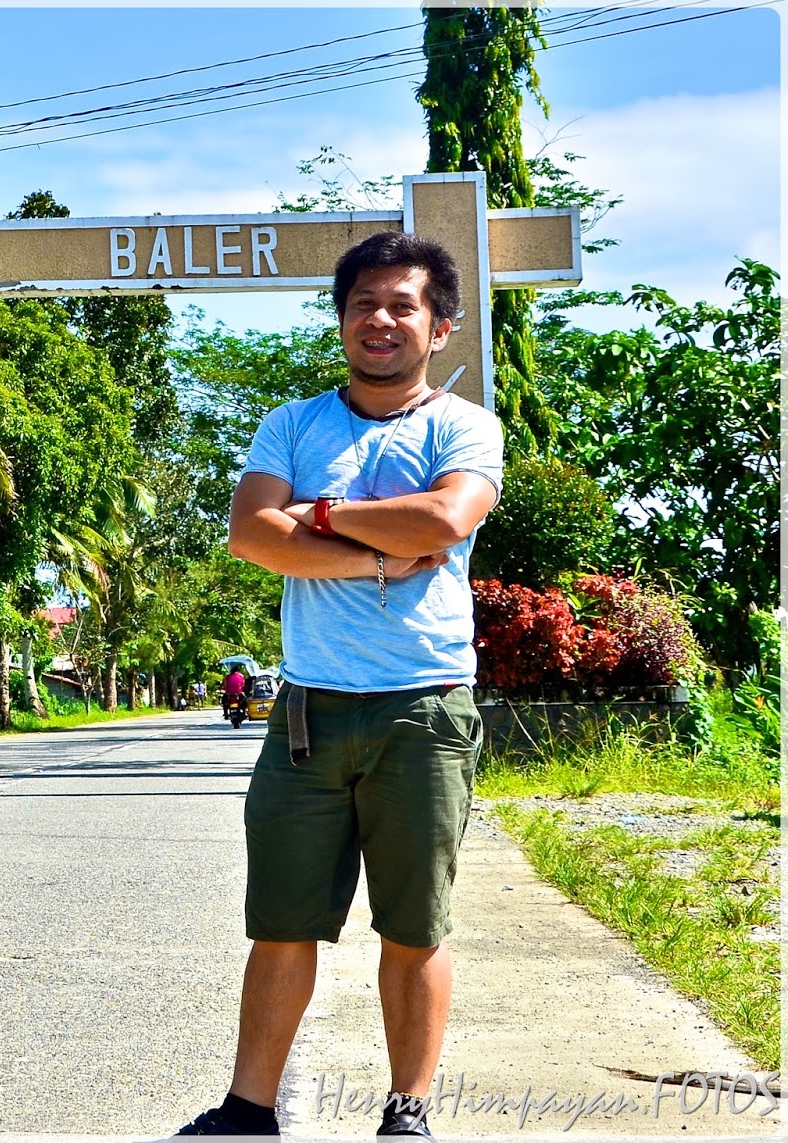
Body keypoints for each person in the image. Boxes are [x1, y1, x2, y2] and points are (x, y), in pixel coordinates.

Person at [177, 231, 501, 1140]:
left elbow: (444, 516)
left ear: (439, 326)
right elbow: (252, 533)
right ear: (342, 319)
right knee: (281, 920)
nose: (382, 320)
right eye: (364, 305)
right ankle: (247, 1112)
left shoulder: (464, 426)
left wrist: (314, 517)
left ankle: (408, 1112)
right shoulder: (293, 423)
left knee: (414, 924)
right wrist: (376, 548)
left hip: (424, 707)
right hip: (307, 711)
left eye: (403, 305)